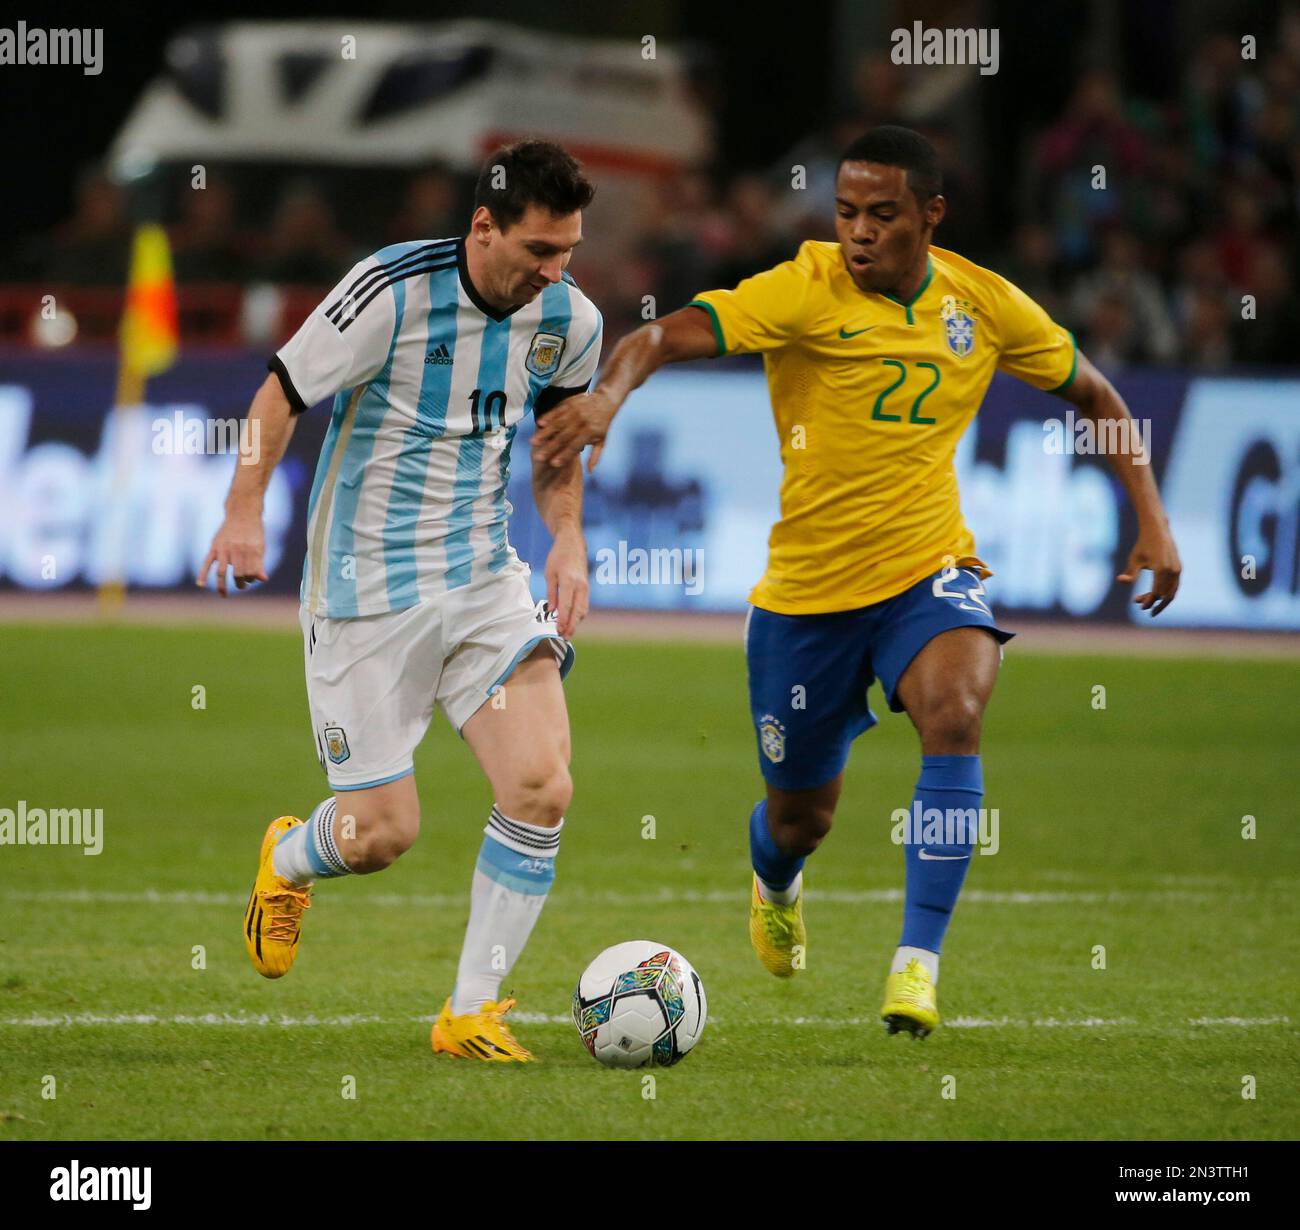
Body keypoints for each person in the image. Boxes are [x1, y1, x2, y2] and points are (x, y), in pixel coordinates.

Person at [533, 126, 1181, 1038]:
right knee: (801, 819)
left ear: (931, 215)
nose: (859, 232)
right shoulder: (802, 289)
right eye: (845, 213)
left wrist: (1153, 519)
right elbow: (660, 336)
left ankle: (917, 964)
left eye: (882, 214)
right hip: (807, 601)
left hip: (928, 570)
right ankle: (775, 880)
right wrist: (605, 397)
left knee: (956, 712)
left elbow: (1097, 396)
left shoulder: (983, 304)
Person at [198, 140, 603, 1062]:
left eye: (569, 251)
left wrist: (569, 540)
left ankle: (469, 1012)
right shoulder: (390, 291)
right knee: (382, 834)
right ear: (484, 226)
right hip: (364, 590)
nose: (555, 271)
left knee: (542, 786)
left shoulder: (570, 321)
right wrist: (243, 509)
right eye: (540, 250)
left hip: (482, 579)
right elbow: (279, 395)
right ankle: (288, 858)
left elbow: (556, 451)